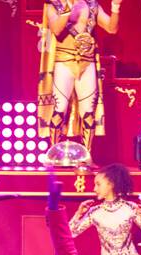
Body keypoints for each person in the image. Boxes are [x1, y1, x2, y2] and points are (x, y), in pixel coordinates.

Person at [37, 0, 121, 158]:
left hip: (86, 62)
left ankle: (86, 157)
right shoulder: (53, 4)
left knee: (88, 112)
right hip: (64, 62)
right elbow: (56, 29)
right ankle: (55, 156)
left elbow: (112, 28)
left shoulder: (92, 5)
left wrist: (116, 8)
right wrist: (68, 7)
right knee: (59, 109)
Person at [70, 163, 141, 255]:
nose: (94, 189)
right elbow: (70, 234)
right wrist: (78, 214)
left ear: (111, 184)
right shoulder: (94, 212)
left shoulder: (131, 208)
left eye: (98, 184)